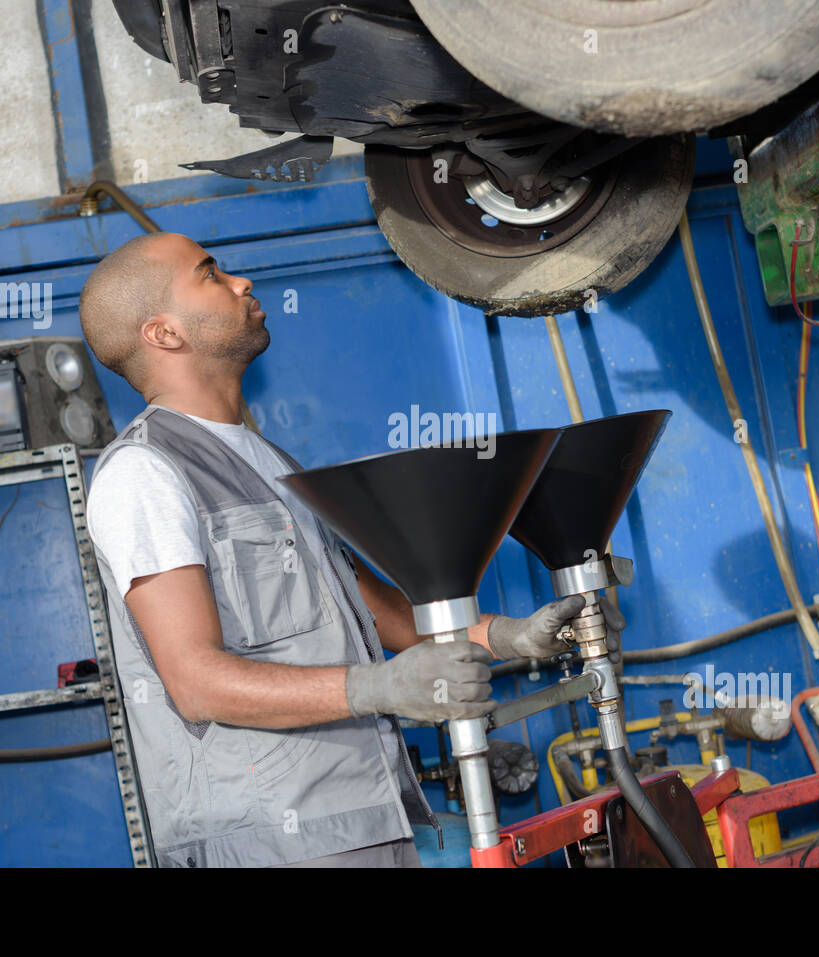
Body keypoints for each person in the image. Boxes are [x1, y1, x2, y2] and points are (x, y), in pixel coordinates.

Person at [79, 232, 615, 867]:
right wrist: (377, 687)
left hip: (363, 819)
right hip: (269, 843)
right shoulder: (144, 472)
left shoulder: (269, 460)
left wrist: (507, 637)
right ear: (163, 334)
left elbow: (377, 613)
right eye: (209, 275)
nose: (241, 283)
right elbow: (196, 682)